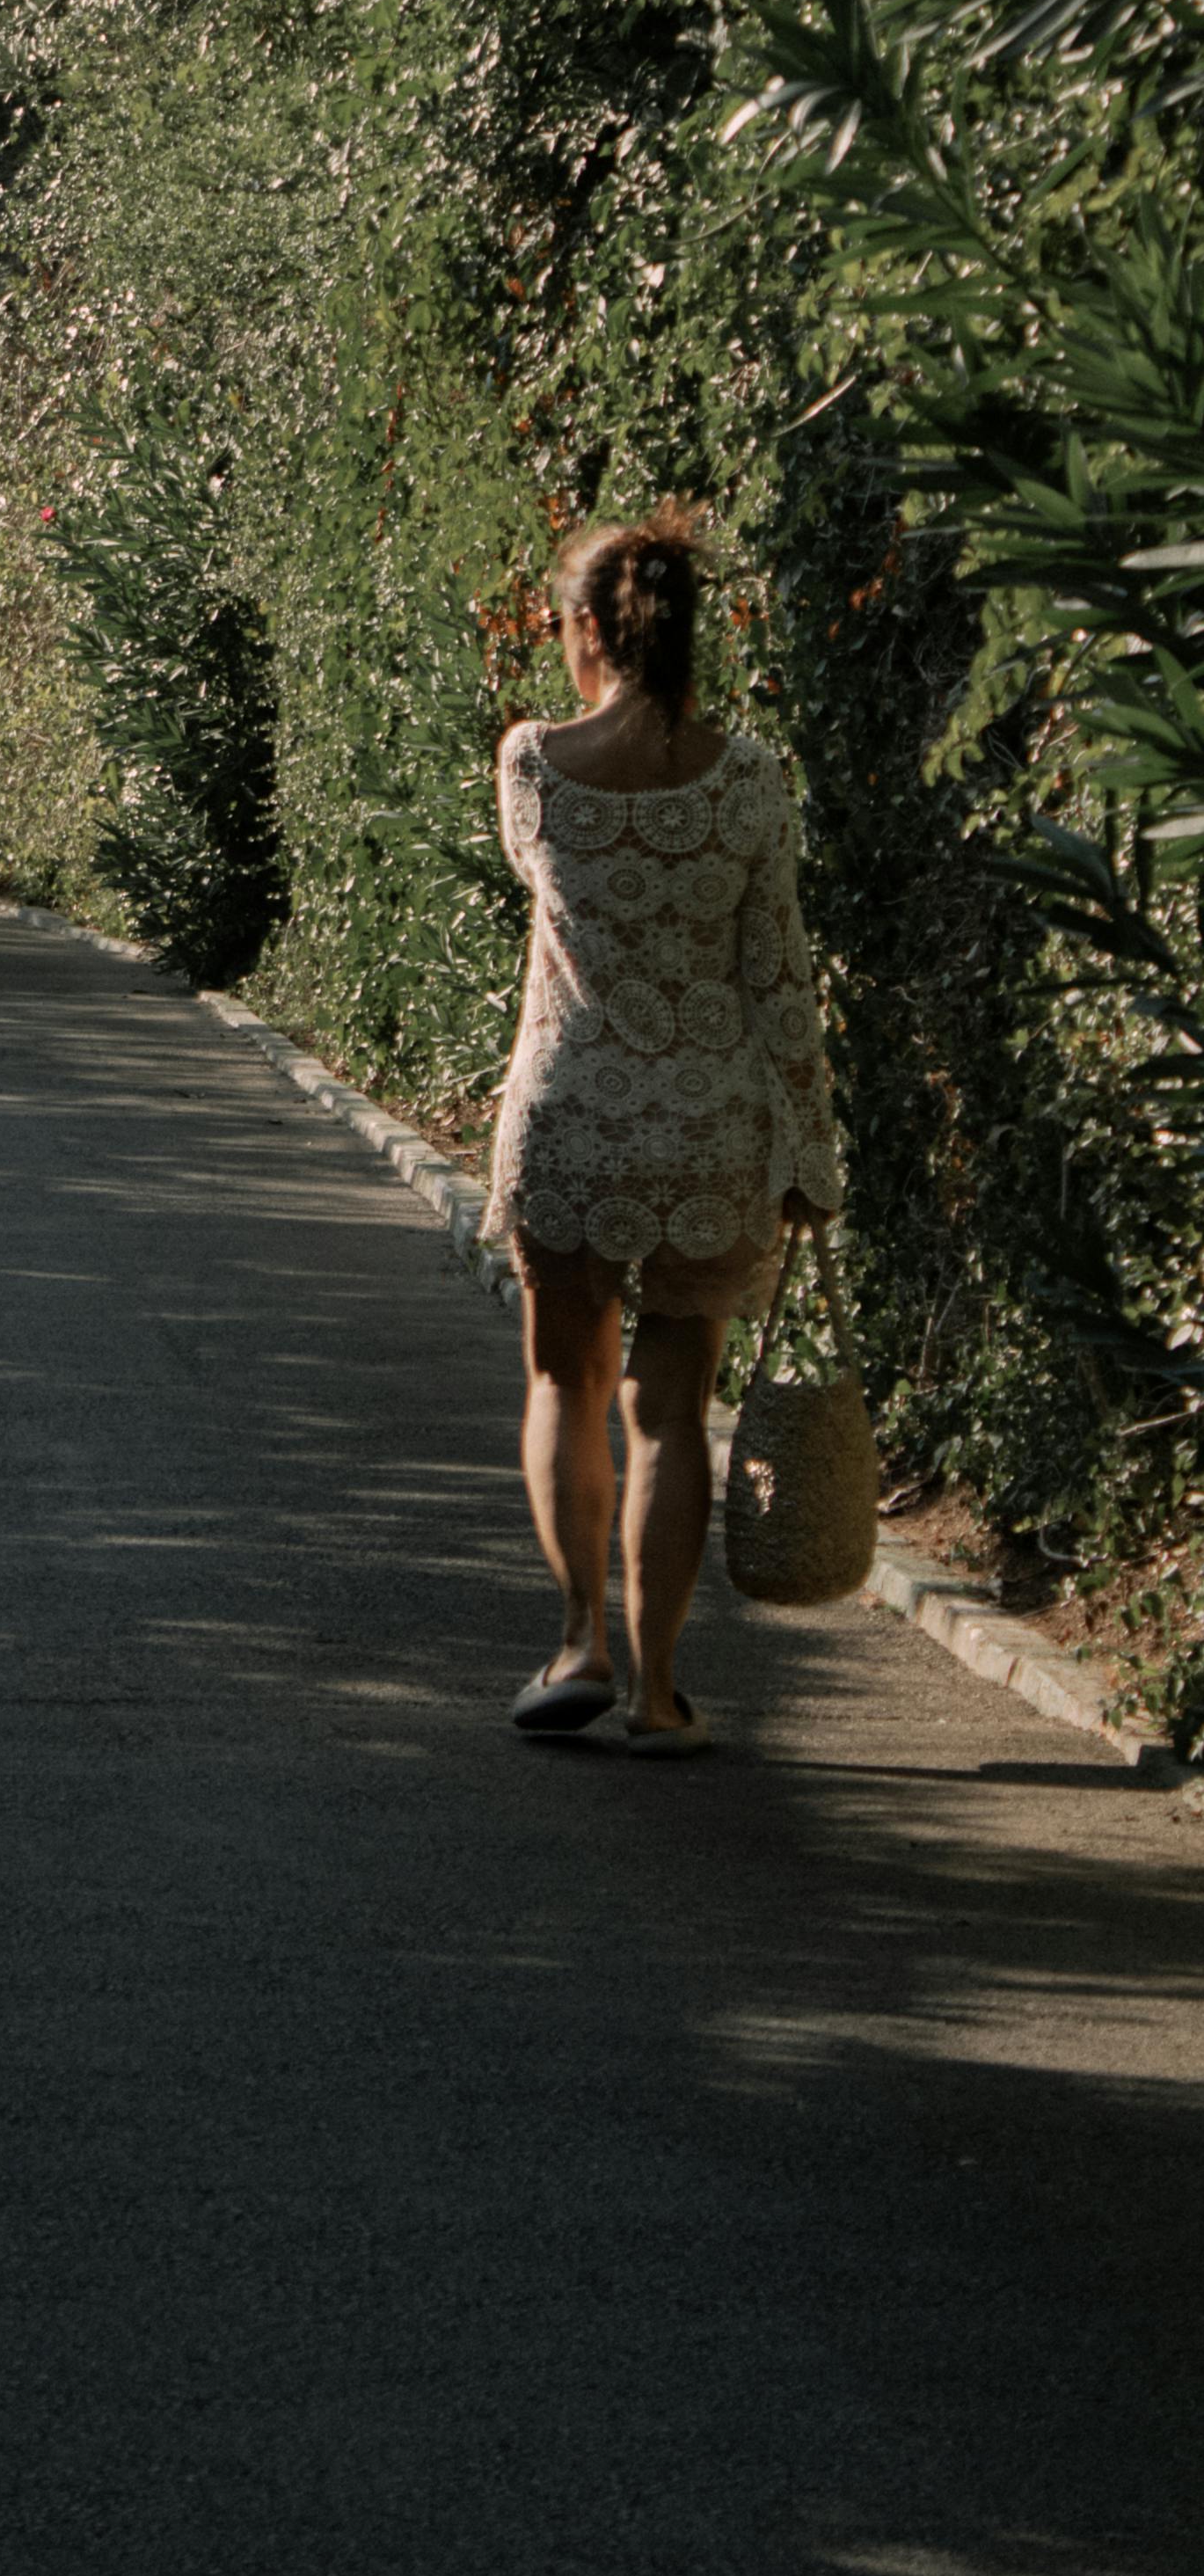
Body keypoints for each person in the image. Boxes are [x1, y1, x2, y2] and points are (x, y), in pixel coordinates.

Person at [481, 514, 842, 1755]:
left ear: (589, 628)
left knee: (560, 1380)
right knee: (671, 1411)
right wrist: (811, 1152)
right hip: (710, 1130)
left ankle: (578, 1635)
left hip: (572, 1118)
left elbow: (545, 885)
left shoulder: (531, 764)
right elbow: (779, 980)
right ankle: (659, 1690)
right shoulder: (750, 778)